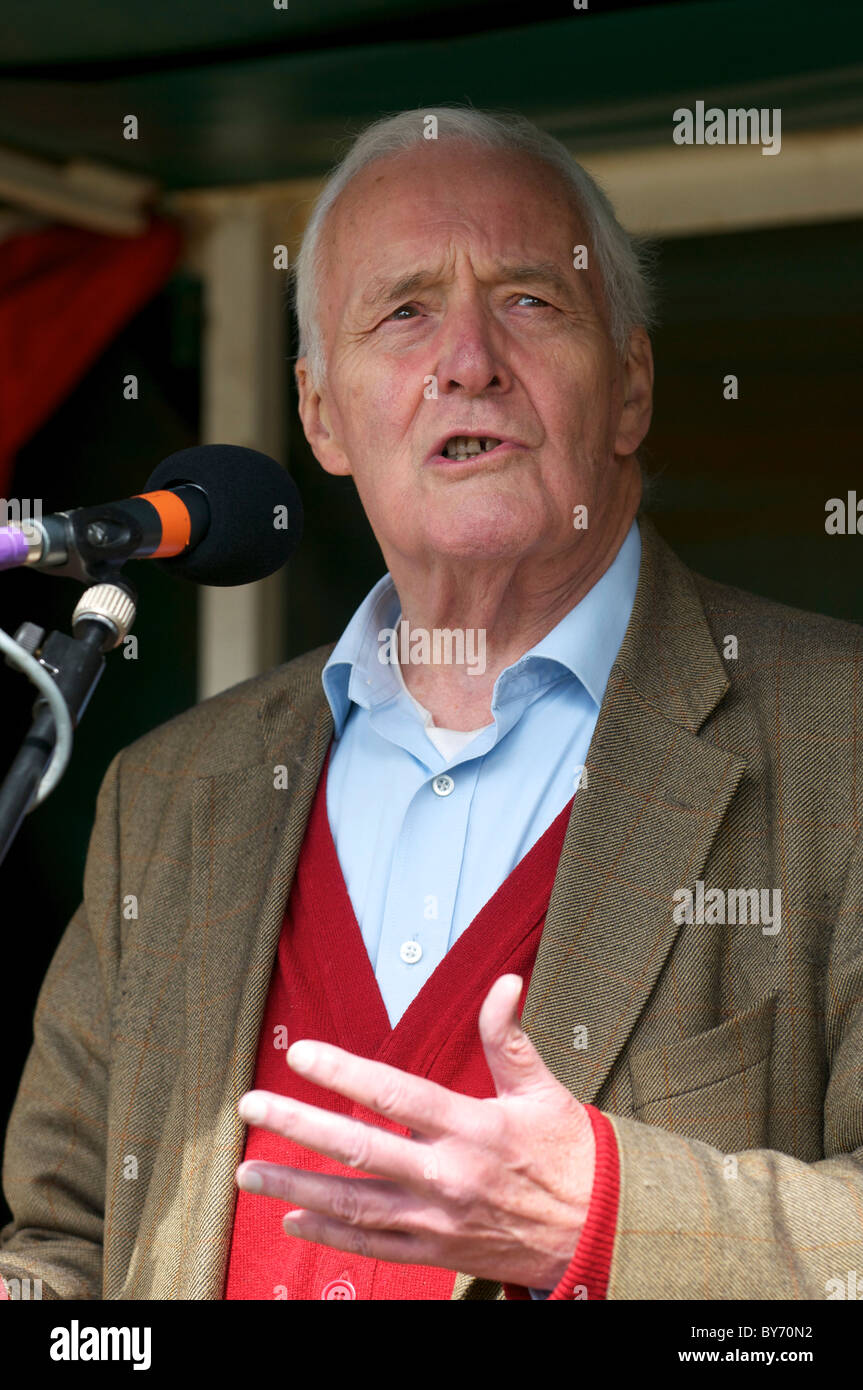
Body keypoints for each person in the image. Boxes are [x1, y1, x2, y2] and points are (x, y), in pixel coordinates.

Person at [2, 106, 861, 1302]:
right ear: (319, 414)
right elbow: (60, 1240)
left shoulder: (842, 748)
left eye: (526, 300)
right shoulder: (168, 794)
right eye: (403, 311)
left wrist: (607, 1218)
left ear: (628, 385)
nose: (466, 358)